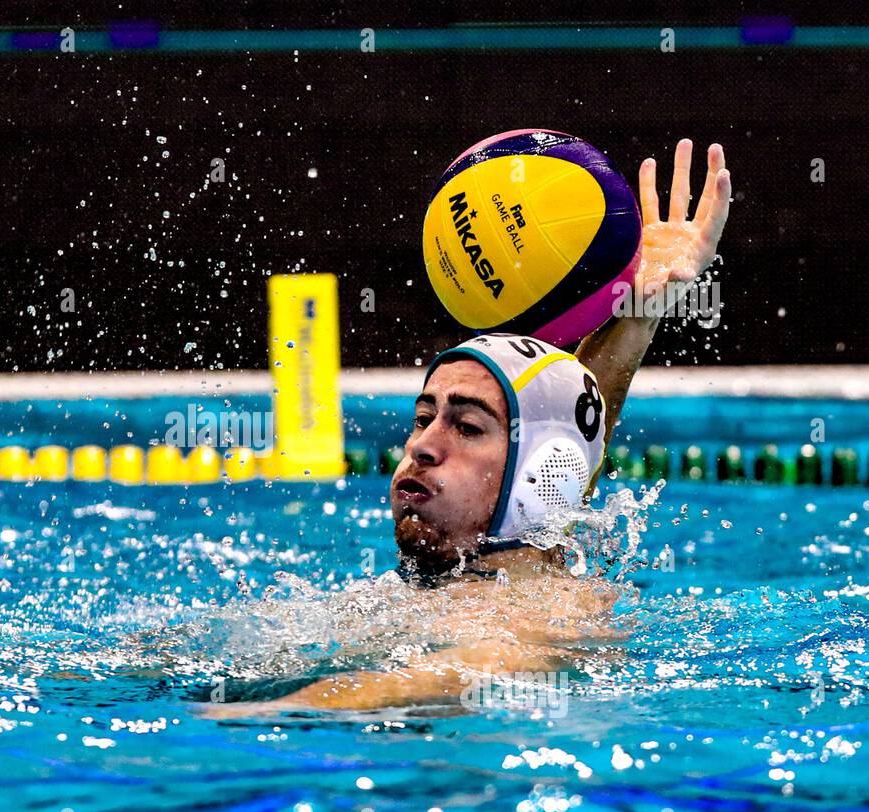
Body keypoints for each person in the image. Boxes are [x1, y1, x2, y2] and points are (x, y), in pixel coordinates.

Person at [212, 139, 732, 714]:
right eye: (423, 417)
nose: (422, 447)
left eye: (466, 427)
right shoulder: (470, 576)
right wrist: (639, 312)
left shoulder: (536, 617)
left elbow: (423, 687)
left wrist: (230, 721)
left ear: (538, 476)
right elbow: (555, 443)